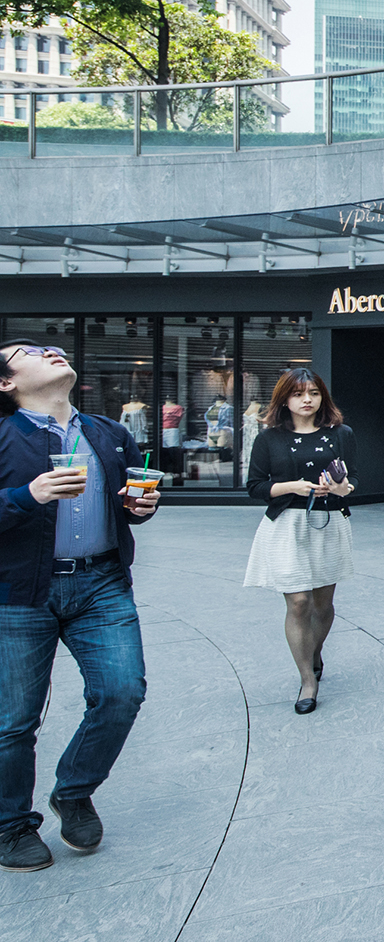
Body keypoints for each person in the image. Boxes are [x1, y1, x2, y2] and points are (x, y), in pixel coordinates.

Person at [0, 338, 157, 872]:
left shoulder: (107, 433)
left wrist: (141, 506)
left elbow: (132, 507)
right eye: (29, 350)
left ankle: (73, 790)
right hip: (19, 594)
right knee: (14, 721)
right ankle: (11, 825)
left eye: (53, 346)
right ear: (6, 383)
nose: (52, 350)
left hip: (102, 582)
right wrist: (30, 495)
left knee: (122, 692)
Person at [243, 369, 356, 716]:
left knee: (323, 604)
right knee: (299, 603)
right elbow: (255, 487)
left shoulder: (341, 434)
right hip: (286, 525)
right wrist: (292, 486)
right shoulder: (269, 439)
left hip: (328, 522)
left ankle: (313, 651)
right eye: (298, 394)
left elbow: (352, 480)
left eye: (314, 393)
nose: (307, 400)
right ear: (284, 399)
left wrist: (341, 489)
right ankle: (308, 678)